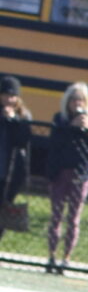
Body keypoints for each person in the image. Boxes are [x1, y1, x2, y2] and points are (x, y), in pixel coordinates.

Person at [44, 83, 88, 272]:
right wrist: (70, 127)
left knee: (74, 218)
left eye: (81, 99)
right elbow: (54, 143)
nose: (77, 103)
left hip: (81, 174)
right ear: (67, 101)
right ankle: (51, 256)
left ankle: (66, 258)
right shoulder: (59, 119)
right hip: (60, 172)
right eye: (74, 99)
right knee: (56, 216)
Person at [0, 77, 32, 239]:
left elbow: (23, 141)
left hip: (11, 173)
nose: (9, 99)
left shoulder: (24, 116)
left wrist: (12, 120)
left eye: (13, 95)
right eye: (5, 94)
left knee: (4, 210)